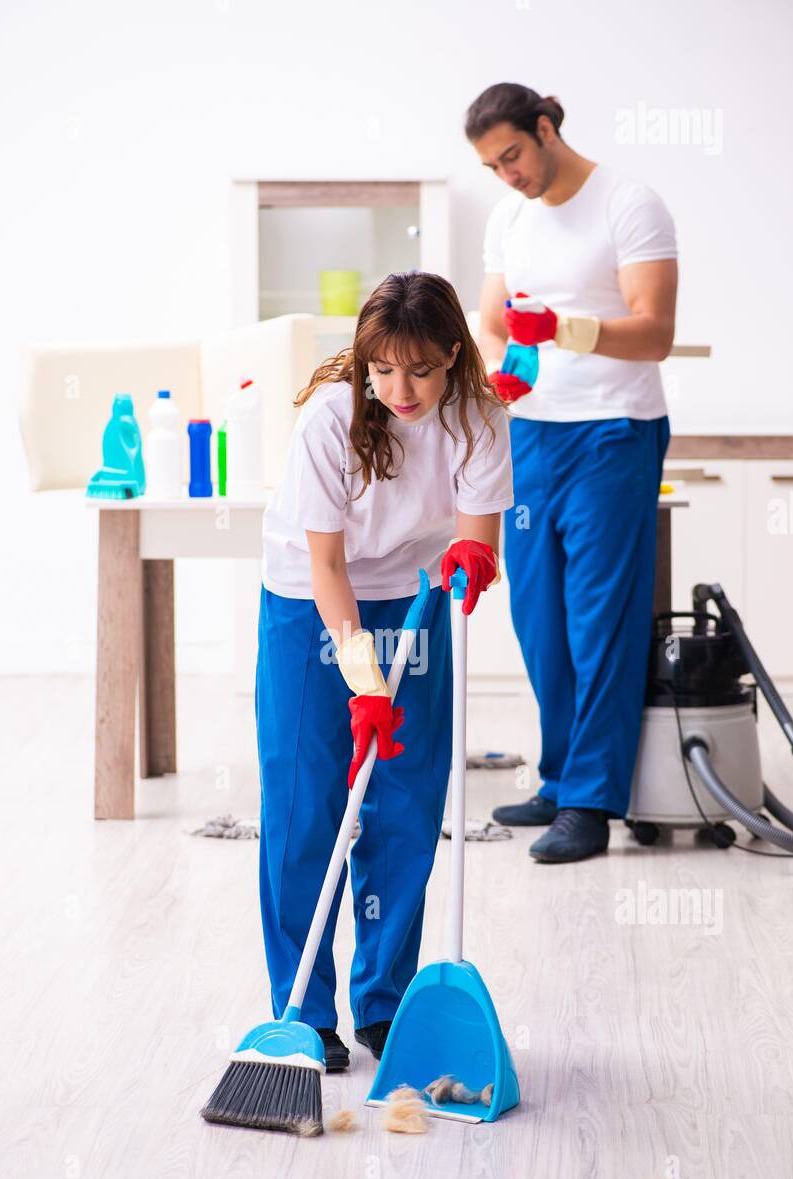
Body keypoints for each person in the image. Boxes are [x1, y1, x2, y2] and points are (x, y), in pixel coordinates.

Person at [256, 271, 512, 1071]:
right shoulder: (331, 420)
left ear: (453, 359)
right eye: (384, 368)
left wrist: (472, 558)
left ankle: (385, 1004)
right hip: (310, 601)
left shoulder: (479, 415)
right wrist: (365, 683)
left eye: (422, 370)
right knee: (306, 804)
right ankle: (303, 1009)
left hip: (413, 596)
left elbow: (476, 536)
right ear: (364, 360)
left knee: (403, 803)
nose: (401, 389)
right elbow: (328, 568)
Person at [465, 81, 678, 863]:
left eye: (512, 155)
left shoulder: (629, 203)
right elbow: (491, 322)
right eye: (492, 166)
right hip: (531, 435)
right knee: (539, 618)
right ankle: (558, 777)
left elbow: (653, 330)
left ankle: (591, 802)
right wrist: (503, 367)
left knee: (598, 620)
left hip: (612, 431)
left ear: (546, 128)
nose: (507, 174)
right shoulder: (509, 217)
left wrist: (563, 328)